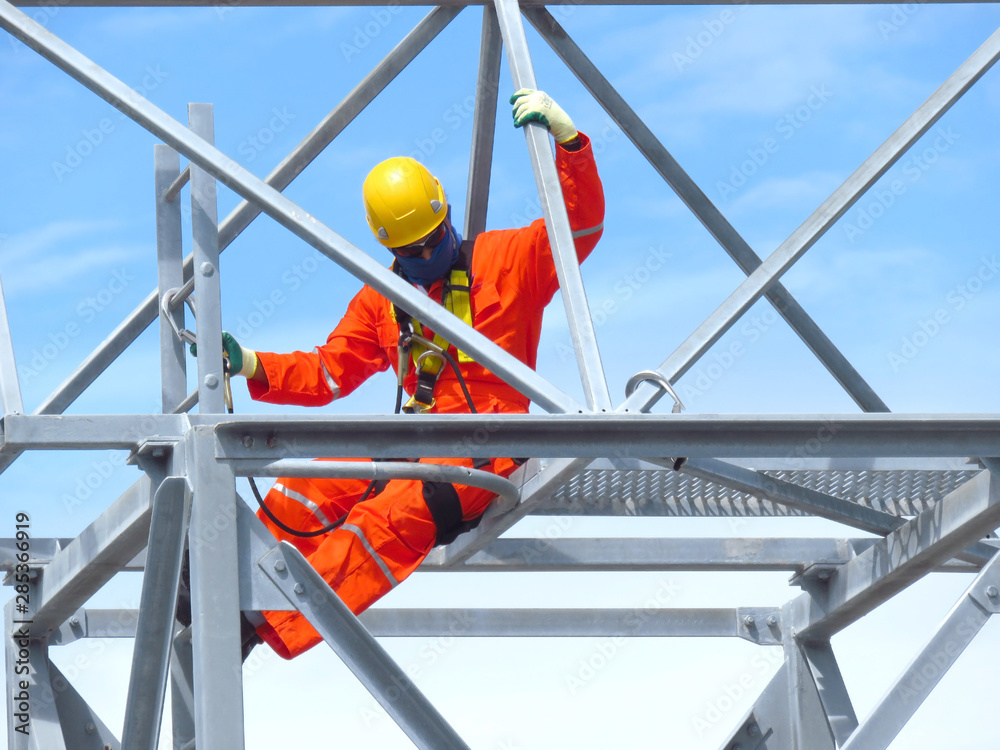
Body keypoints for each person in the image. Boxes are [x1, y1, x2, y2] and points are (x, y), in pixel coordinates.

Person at [223, 88, 605, 659]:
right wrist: (253, 365)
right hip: (419, 440)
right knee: (311, 480)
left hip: (491, 444)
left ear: (445, 214)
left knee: (390, 516)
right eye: (412, 250)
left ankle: (263, 623)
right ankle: (222, 584)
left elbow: (577, 233)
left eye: (432, 240)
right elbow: (330, 370)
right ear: (390, 248)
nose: (427, 254)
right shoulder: (385, 300)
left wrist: (570, 144)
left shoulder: (507, 260)